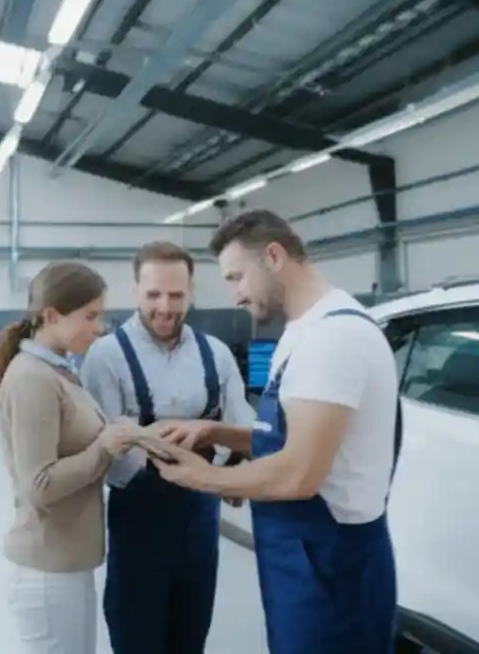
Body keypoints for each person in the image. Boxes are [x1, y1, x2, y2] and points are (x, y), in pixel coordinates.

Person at [149, 210, 402, 654]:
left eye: (236, 277)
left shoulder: (333, 338)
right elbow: (294, 439)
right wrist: (216, 433)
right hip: (303, 563)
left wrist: (197, 476)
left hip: (331, 571)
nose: (235, 296)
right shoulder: (303, 331)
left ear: (273, 256)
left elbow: (298, 473)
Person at [78, 241, 254, 654]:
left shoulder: (217, 354)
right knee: (137, 638)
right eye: (154, 294)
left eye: (176, 295)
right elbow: (103, 448)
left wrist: (231, 473)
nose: (165, 306)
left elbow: (241, 421)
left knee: (190, 638)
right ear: (136, 290)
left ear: (191, 291)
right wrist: (174, 459)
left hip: (201, 524)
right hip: (139, 525)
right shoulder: (106, 357)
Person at [0, 261, 142, 654]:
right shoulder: (32, 379)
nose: (100, 327)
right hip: (46, 572)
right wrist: (104, 447)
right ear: (52, 315)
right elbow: (39, 485)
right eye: (90, 316)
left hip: (68, 565)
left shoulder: (58, 372)